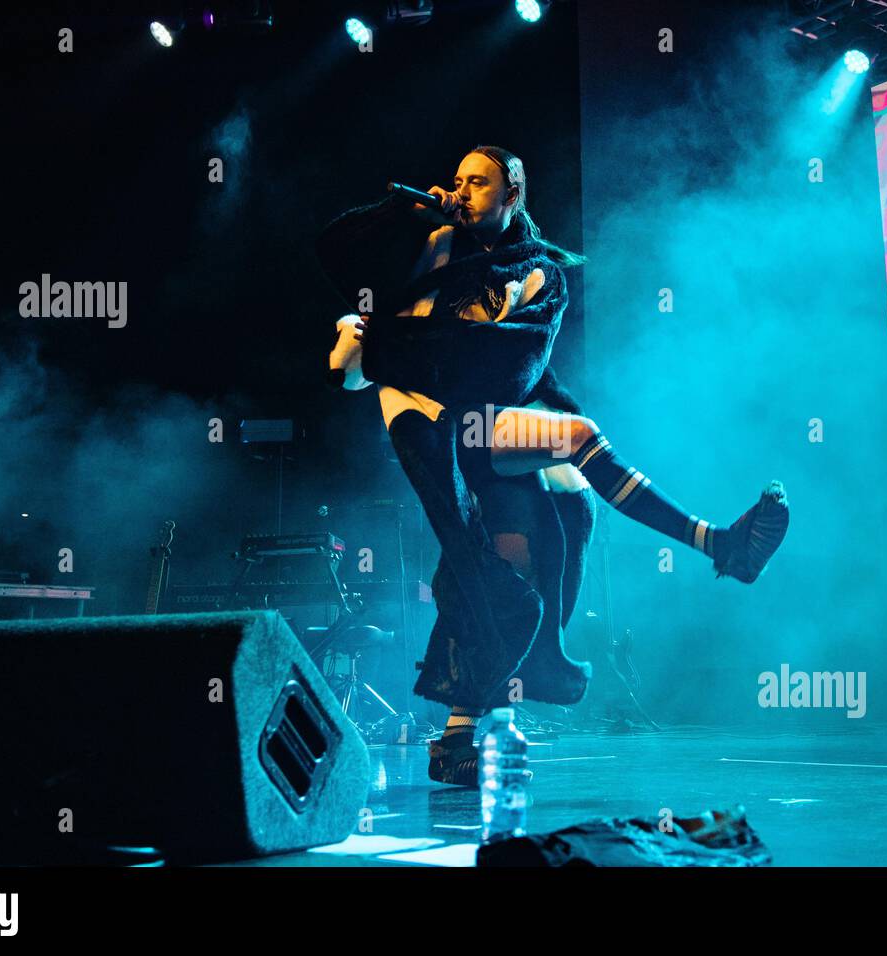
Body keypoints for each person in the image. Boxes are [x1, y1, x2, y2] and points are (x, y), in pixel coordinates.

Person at [317, 146, 788, 786]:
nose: (462, 192)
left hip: (494, 419)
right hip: (449, 424)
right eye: (458, 181)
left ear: (512, 192)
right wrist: (401, 211)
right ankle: (716, 542)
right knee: (578, 438)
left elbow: (516, 364)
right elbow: (352, 266)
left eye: (478, 182)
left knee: (525, 549)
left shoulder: (540, 272)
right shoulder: (437, 245)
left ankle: (457, 739)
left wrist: (418, 343)